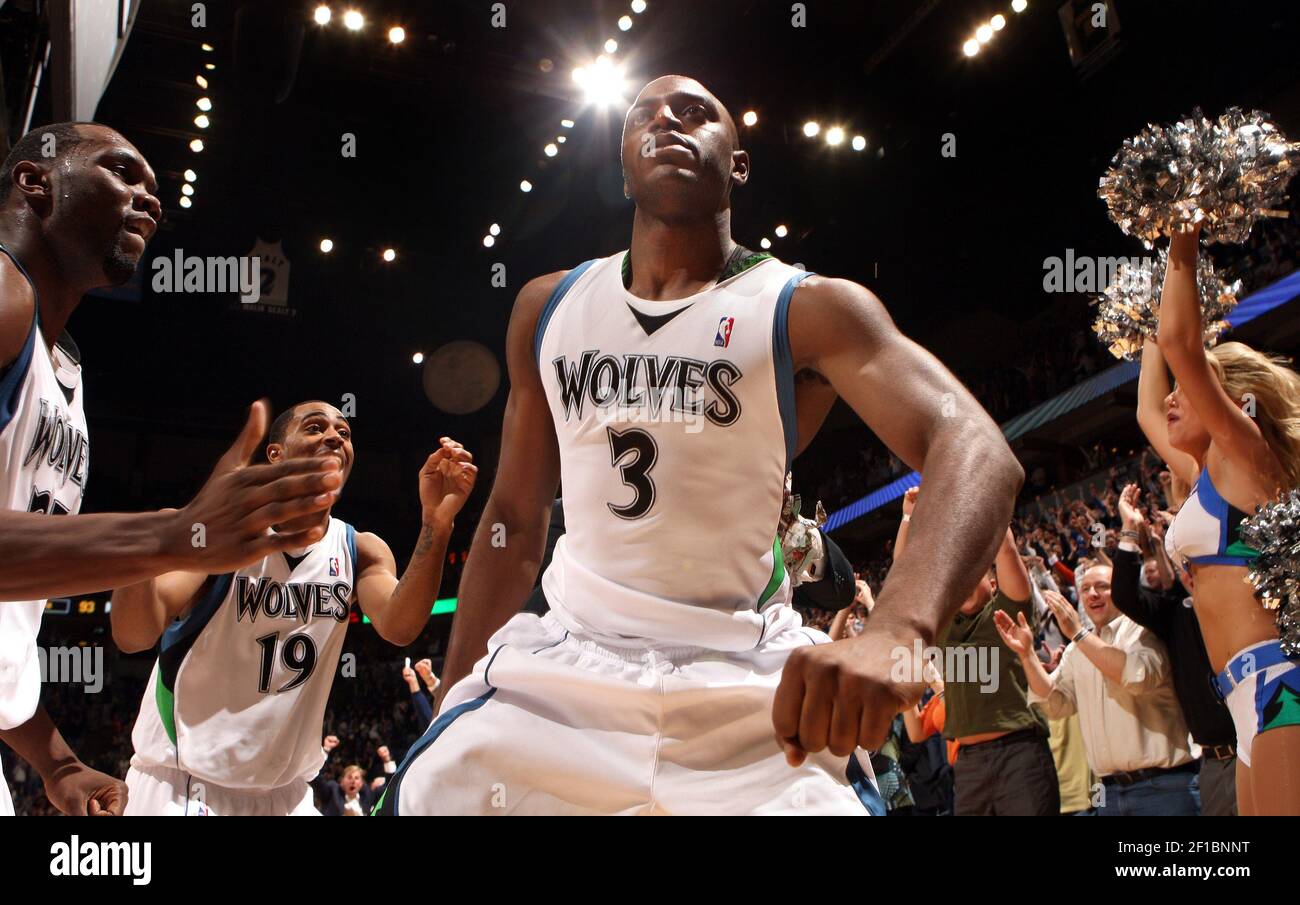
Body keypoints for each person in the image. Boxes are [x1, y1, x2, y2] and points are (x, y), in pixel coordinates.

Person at [380, 74, 1021, 815]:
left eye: (694, 113)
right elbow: (516, 517)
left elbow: (974, 445)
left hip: (747, 680)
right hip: (566, 677)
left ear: (738, 163)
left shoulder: (807, 307)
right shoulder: (546, 306)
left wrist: (898, 631)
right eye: (645, 114)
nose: (668, 122)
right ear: (623, 164)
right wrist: (457, 696)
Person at [0, 122, 342, 816]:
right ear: (34, 181)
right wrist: (171, 536)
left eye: (154, 191)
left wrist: (55, 761)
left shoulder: (62, 367)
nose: (149, 201)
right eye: (121, 173)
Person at [110, 403, 476, 815]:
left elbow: (400, 626)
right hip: (187, 784)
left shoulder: (361, 550)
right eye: (316, 428)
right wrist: (141, 550)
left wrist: (436, 524)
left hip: (287, 794)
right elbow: (133, 633)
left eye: (344, 432)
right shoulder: (224, 535)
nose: (335, 436)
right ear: (276, 455)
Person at [1141, 225, 1300, 815]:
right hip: (1240, 697)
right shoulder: (1207, 470)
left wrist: (1181, 239)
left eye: (1187, 390)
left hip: (1282, 683)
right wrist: (1147, 326)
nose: (1170, 400)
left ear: (1228, 402)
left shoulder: (1244, 454)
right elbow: (1145, 407)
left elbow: (1182, 344)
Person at [898, 487, 1059, 816]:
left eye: (974, 575)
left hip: (1020, 753)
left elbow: (1008, 552)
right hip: (968, 764)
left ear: (993, 582)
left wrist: (985, 498)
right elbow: (905, 575)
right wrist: (909, 518)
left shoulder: (1009, 612)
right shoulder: (943, 623)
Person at [997, 564, 1198, 816]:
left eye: (1102, 587)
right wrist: (1026, 655)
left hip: (1163, 787)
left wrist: (1078, 634)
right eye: (1086, 589)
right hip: (1109, 792)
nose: (1093, 593)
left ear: (1122, 591)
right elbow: (1055, 704)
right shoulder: (1075, 649)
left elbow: (1138, 678)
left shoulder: (1143, 630)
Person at [1113, 483, 1239, 815]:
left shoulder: (1244, 593)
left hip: (1264, 741)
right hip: (1214, 764)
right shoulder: (1175, 611)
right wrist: (1129, 529)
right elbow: (1125, 595)